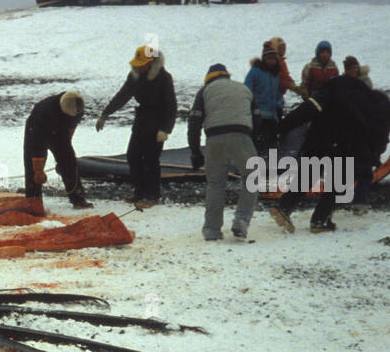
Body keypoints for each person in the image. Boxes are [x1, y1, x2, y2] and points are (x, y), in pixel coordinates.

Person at [270, 73, 390, 233]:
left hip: (318, 138)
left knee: (308, 176)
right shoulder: (370, 100)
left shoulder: (331, 91)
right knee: (338, 183)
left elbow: (307, 110)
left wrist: (280, 128)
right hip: (346, 143)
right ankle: (320, 220)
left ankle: (284, 208)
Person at [96, 45, 177, 206]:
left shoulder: (164, 78)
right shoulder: (134, 76)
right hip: (141, 120)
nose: (139, 67)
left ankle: (152, 195)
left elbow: (171, 105)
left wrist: (165, 130)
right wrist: (105, 114)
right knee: (132, 156)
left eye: (142, 64)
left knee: (151, 159)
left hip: (157, 121)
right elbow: (122, 96)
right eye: (137, 64)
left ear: (151, 62)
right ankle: (139, 192)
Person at [188, 63, 258, 241]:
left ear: (209, 77)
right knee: (252, 178)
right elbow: (257, 117)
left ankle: (212, 230)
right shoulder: (244, 89)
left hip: (214, 138)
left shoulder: (205, 91)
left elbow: (194, 122)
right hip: (241, 135)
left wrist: (196, 152)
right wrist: (252, 141)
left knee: (215, 183)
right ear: (227, 75)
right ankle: (241, 220)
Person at [23, 91, 92, 208]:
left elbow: (71, 128)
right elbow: (36, 145)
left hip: (60, 133)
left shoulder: (78, 106)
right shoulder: (43, 114)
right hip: (36, 130)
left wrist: (65, 148)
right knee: (32, 170)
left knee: (69, 162)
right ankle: (33, 201)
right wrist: (39, 170)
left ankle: (78, 199)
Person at [244, 41, 285, 153]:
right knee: (257, 141)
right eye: (269, 59)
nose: (271, 61)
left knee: (271, 142)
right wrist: (251, 106)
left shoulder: (275, 75)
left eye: (273, 59)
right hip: (258, 114)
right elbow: (247, 90)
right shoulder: (255, 72)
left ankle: (269, 163)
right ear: (264, 59)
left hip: (272, 115)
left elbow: (277, 94)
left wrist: (279, 105)